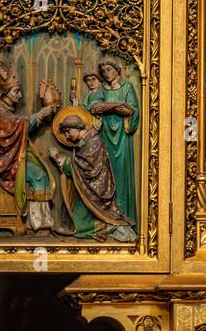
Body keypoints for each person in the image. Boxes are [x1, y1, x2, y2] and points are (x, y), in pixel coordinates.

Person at [0, 62, 61, 233]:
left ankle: (42, 222)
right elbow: (15, 128)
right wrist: (41, 113)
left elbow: (18, 127)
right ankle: (38, 225)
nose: (20, 95)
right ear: (5, 93)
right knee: (38, 175)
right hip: (2, 162)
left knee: (41, 170)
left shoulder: (6, 110)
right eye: (16, 91)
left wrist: (44, 113)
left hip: (12, 157)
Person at [49, 114, 134, 242]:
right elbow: (80, 163)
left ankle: (109, 227)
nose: (67, 136)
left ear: (76, 127)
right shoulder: (86, 141)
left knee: (80, 223)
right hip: (88, 187)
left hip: (96, 189)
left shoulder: (93, 141)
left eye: (68, 132)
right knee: (73, 214)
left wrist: (60, 159)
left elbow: (85, 167)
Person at [85, 58, 140, 240]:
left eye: (109, 69)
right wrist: (106, 107)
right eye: (104, 70)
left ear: (117, 70)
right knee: (105, 176)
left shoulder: (126, 88)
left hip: (122, 139)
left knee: (121, 175)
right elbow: (94, 106)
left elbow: (130, 110)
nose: (107, 73)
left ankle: (124, 219)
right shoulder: (101, 90)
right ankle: (108, 220)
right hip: (104, 135)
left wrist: (110, 106)